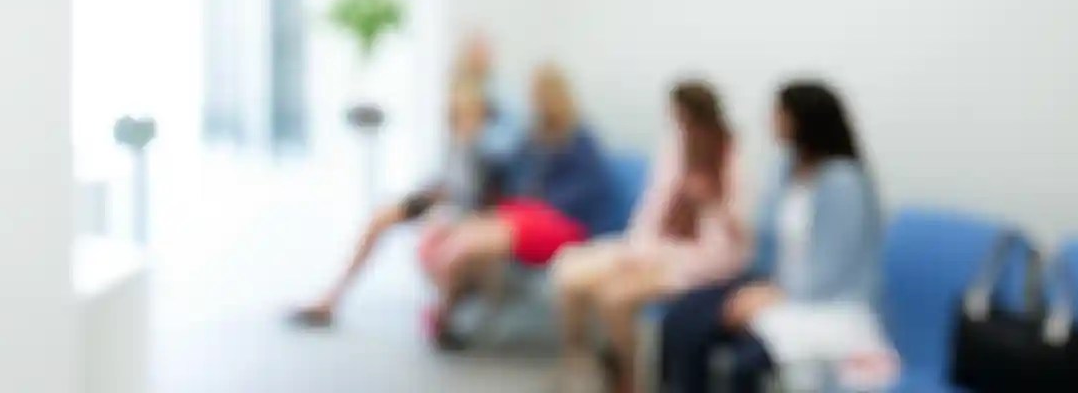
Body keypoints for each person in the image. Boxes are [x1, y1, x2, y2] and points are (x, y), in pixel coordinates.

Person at [663, 82, 889, 393]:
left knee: (745, 363)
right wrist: (751, 284)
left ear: (804, 121)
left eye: (779, 114)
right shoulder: (786, 166)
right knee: (683, 318)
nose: (771, 121)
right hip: (775, 280)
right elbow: (766, 239)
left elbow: (832, 270)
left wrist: (772, 295)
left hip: (826, 303)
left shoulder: (845, 182)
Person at [288, 36, 514, 328]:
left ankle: (444, 315)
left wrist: (475, 136)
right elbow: (445, 170)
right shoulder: (456, 103)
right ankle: (330, 299)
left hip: (472, 205)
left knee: (440, 231)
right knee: (381, 217)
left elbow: (484, 177)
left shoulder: (501, 114)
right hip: (441, 194)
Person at [552, 81, 750, 393]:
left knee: (613, 298)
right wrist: (639, 251)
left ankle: (629, 380)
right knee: (569, 274)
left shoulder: (729, 151)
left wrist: (711, 202)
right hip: (658, 245)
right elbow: (653, 203)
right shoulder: (675, 145)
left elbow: (739, 233)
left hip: (701, 259)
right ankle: (584, 365)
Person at [422, 64, 613, 349]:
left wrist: (540, 203)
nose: (535, 104)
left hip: (562, 224)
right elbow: (512, 176)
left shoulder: (580, 139)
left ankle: (443, 313)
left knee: (473, 242)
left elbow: (587, 192)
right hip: (526, 215)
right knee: (464, 235)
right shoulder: (533, 139)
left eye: (540, 96)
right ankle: (448, 312)